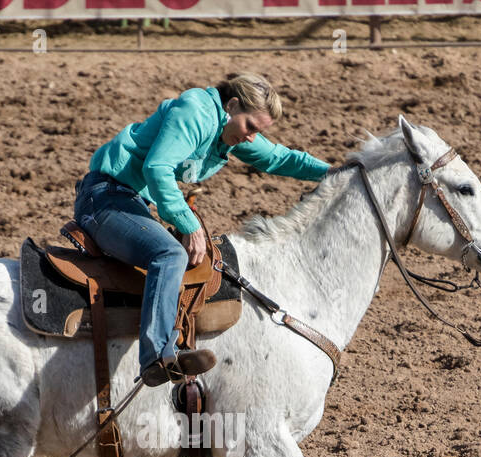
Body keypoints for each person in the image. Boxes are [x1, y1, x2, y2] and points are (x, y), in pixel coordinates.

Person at [73, 72, 331, 387]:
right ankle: (156, 355)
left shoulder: (229, 132)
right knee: (168, 254)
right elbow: (157, 168)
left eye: (258, 132)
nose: (251, 137)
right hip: (104, 198)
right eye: (250, 127)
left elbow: (279, 159)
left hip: (129, 201)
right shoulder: (196, 110)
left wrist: (335, 173)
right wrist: (188, 223)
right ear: (233, 105)